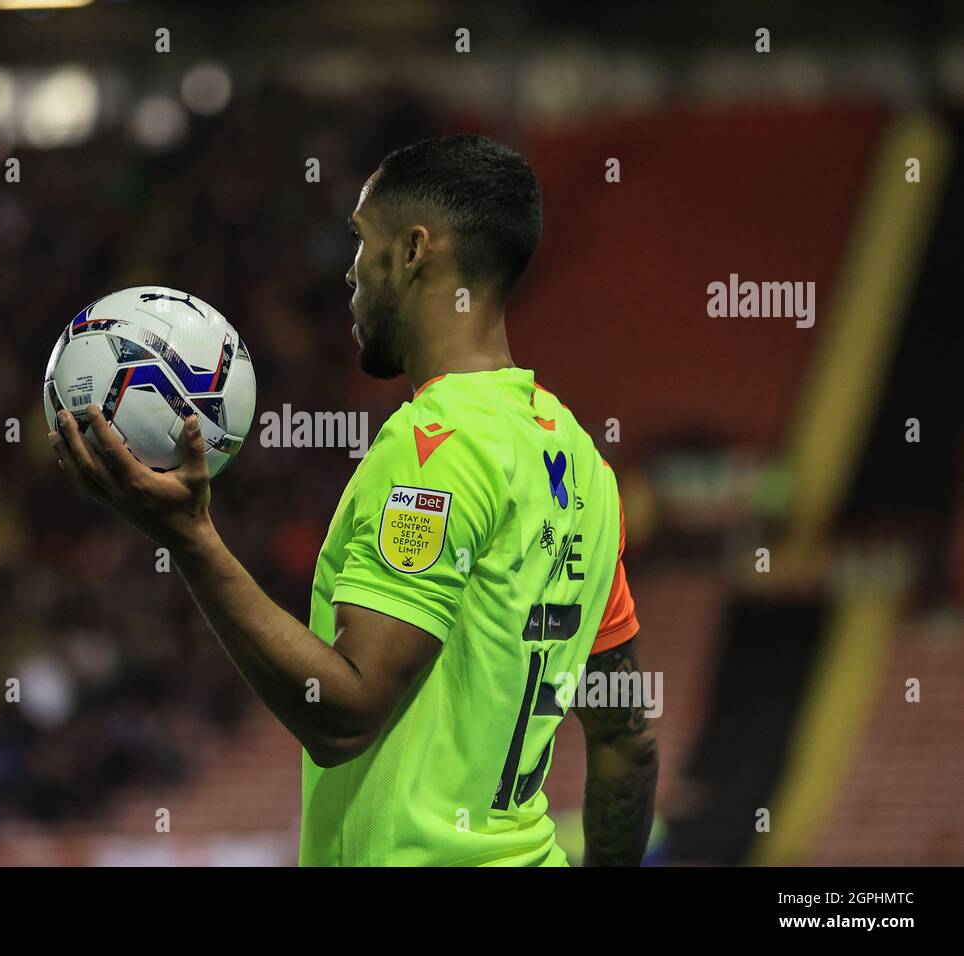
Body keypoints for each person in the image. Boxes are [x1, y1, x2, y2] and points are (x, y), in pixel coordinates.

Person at [50, 133, 657, 866]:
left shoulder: (437, 446)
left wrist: (189, 537)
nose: (350, 271)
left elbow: (344, 713)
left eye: (360, 241)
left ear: (411, 251)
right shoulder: (582, 464)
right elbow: (626, 742)